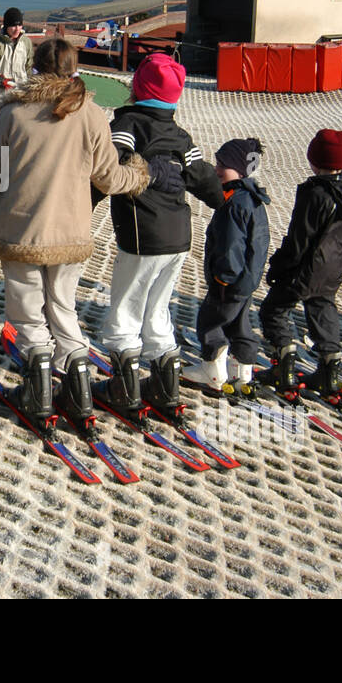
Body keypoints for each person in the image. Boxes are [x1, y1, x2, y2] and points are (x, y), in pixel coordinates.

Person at [0, 38, 179, 429]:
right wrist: (141, 173)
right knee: (63, 307)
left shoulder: (11, 113)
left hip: (20, 229)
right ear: (76, 69)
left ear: (33, 68)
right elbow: (107, 177)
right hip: (71, 231)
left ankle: (37, 393)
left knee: (27, 311)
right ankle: (79, 388)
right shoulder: (89, 113)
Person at [96, 53, 224, 415]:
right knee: (157, 309)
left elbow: (107, 167)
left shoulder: (129, 124)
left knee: (125, 308)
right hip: (179, 237)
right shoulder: (180, 136)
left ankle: (123, 388)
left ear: (138, 88)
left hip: (142, 235)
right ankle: (166, 388)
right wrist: (223, 200)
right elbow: (203, 177)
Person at [258, 129, 342, 402]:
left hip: (306, 267)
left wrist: (280, 266)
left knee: (274, 310)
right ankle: (330, 372)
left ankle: (284, 368)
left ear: (314, 160)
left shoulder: (315, 193)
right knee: (322, 308)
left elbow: (299, 238)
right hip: (333, 266)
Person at [184, 138, 271, 393]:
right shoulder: (252, 198)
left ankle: (211, 371)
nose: (217, 168)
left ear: (240, 169)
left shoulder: (234, 203)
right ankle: (242, 371)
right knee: (239, 324)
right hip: (246, 280)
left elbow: (232, 244)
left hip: (229, 280)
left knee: (211, 322)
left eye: (223, 164)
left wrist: (224, 277)